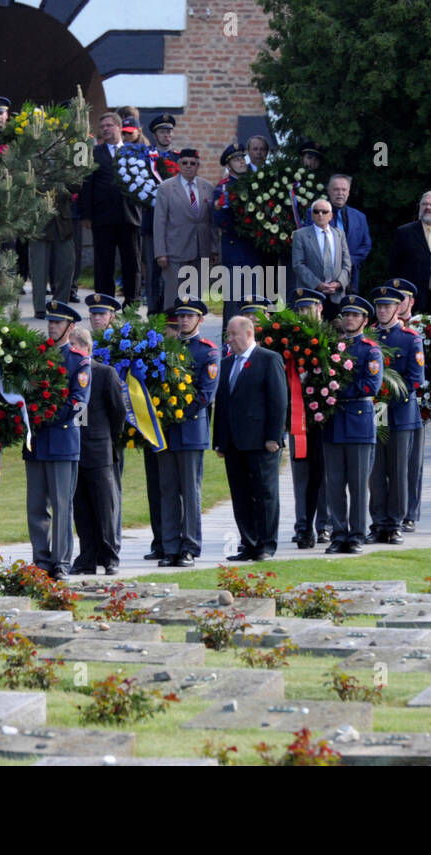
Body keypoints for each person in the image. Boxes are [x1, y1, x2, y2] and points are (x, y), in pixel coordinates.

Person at [24, 300, 91, 578]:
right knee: (37, 506)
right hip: (37, 443)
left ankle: (61, 561)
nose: (52, 326)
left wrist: (44, 416)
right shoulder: (35, 358)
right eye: (50, 322)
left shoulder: (79, 361)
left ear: (70, 327)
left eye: (58, 322)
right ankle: (40, 560)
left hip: (63, 443)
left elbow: (78, 403)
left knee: (63, 506)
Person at [212, 315, 287, 561]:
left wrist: (274, 437)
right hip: (234, 443)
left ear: (248, 334)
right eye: (228, 335)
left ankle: (266, 544)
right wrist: (219, 441)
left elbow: (278, 401)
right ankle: (249, 543)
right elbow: (222, 405)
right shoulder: (227, 363)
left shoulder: (268, 359)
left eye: (234, 334)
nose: (230, 339)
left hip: (261, 442)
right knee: (241, 494)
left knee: (265, 493)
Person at [157, 298, 220, 567]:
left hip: (191, 429)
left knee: (190, 491)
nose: (183, 321)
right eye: (180, 316)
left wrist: (178, 412)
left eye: (189, 316)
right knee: (168, 490)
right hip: (166, 431)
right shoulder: (165, 349)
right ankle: (170, 546)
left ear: (200, 321)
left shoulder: (208, 352)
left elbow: (206, 393)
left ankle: (190, 547)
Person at [322, 296, 383, 554]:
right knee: (335, 483)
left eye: (355, 315)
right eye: (347, 314)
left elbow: (372, 385)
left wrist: (336, 391)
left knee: (358, 484)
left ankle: (357, 534)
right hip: (334, 422)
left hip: (358, 421)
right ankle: (338, 534)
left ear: (364, 321)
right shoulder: (330, 347)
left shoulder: (370, 350)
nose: (349, 319)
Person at [367, 285, 424, 543]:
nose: (382, 310)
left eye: (387, 306)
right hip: (377, 412)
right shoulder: (370, 337)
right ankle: (378, 521)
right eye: (379, 306)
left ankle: (395, 521)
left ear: (397, 308)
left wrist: (387, 393)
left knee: (399, 469)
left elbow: (415, 378)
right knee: (376, 469)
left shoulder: (410, 338)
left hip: (401, 412)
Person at [69, 326, 126, 575]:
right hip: (74, 450)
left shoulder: (105, 373)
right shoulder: (68, 374)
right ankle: (87, 557)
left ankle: (110, 557)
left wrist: (108, 439)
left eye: (74, 347)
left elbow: (118, 412)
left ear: (86, 348)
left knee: (105, 507)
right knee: (81, 508)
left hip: (99, 450)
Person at [79, 111, 143, 306]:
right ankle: (105, 303)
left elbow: (142, 182)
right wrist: (86, 215)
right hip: (103, 218)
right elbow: (86, 185)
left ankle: (132, 302)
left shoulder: (134, 152)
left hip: (129, 216)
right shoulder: (93, 153)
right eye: (102, 127)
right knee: (104, 263)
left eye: (109, 126)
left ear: (118, 127)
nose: (105, 129)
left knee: (131, 261)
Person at [286, 288, 330, 548]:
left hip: (324, 416)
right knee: (300, 472)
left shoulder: (330, 337)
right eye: (301, 308)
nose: (305, 313)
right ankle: (303, 523)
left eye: (309, 308)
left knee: (323, 473)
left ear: (320, 309)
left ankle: (323, 524)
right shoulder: (290, 340)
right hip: (298, 417)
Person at [154, 148, 216, 310]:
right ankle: (172, 332)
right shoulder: (166, 188)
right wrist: (161, 252)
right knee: (173, 297)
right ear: (179, 165)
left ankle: (193, 330)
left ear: (198, 166)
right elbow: (159, 222)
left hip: (201, 250)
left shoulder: (208, 187)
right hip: (175, 251)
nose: (189, 166)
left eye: (193, 163)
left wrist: (214, 249)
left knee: (196, 298)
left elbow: (212, 221)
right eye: (185, 163)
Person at [388, 278, 425, 532]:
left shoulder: (425, 328)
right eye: (394, 299)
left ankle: (409, 511)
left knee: (411, 462)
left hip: (416, 402)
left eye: (403, 298)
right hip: (388, 405)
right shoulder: (380, 330)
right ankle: (387, 512)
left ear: (411, 301)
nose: (399, 303)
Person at [211, 142, 264, 310]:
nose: (241, 162)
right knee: (234, 302)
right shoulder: (224, 188)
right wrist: (247, 227)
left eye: (242, 158)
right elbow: (220, 218)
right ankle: (229, 335)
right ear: (228, 165)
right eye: (236, 160)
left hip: (255, 251)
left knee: (254, 301)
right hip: (235, 250)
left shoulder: (255, 183)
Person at [142, 113, 178, 313]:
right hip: (152, 219)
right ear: (155, 135)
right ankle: (153, 310)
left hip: (175, 224)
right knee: (154, 268)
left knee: (173, 269)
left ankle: (171, 309)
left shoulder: (180, 159)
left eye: (169, 131)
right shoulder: (146, 158)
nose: (166, 135)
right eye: (162, 132)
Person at [291, 195, 351, 315]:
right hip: (311, 295)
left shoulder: (339, 234)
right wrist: (318, 284)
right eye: (316, 211)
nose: (320, 214)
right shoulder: (300, 235)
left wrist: (339, 283)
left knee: (336, 331)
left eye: (324, 212)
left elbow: (347, 264)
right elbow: (298, 264)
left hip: (336, 295)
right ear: (312, 215)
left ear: (330, 215)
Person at [30, 184, 75, 320]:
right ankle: (39, 307)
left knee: (67, 265)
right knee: (38, 268)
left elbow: (77, 184)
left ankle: (60, 305)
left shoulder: (69, 163)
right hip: (39, 219)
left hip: (62, 221)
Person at [327, 174, 372, 293]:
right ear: (329, 191)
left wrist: (347, 262)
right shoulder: (316, 213)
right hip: (322, 279)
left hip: (350, 278)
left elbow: (366, 245)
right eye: (336, 189)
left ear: (348, 192)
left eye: (344, 189)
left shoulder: (360, 217)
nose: (340, 193)